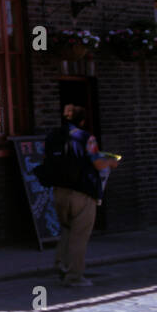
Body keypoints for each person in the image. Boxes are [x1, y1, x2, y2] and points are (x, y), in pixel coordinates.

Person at [51, 105, 118, 288]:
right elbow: (97, 163)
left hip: (59, 191)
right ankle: (74, 276)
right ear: (82, 121)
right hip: (82, 191)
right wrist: (110, 162)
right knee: (79, 235)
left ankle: (61, 264)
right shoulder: (86, 137)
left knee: (66, 229)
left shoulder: (54, 137)